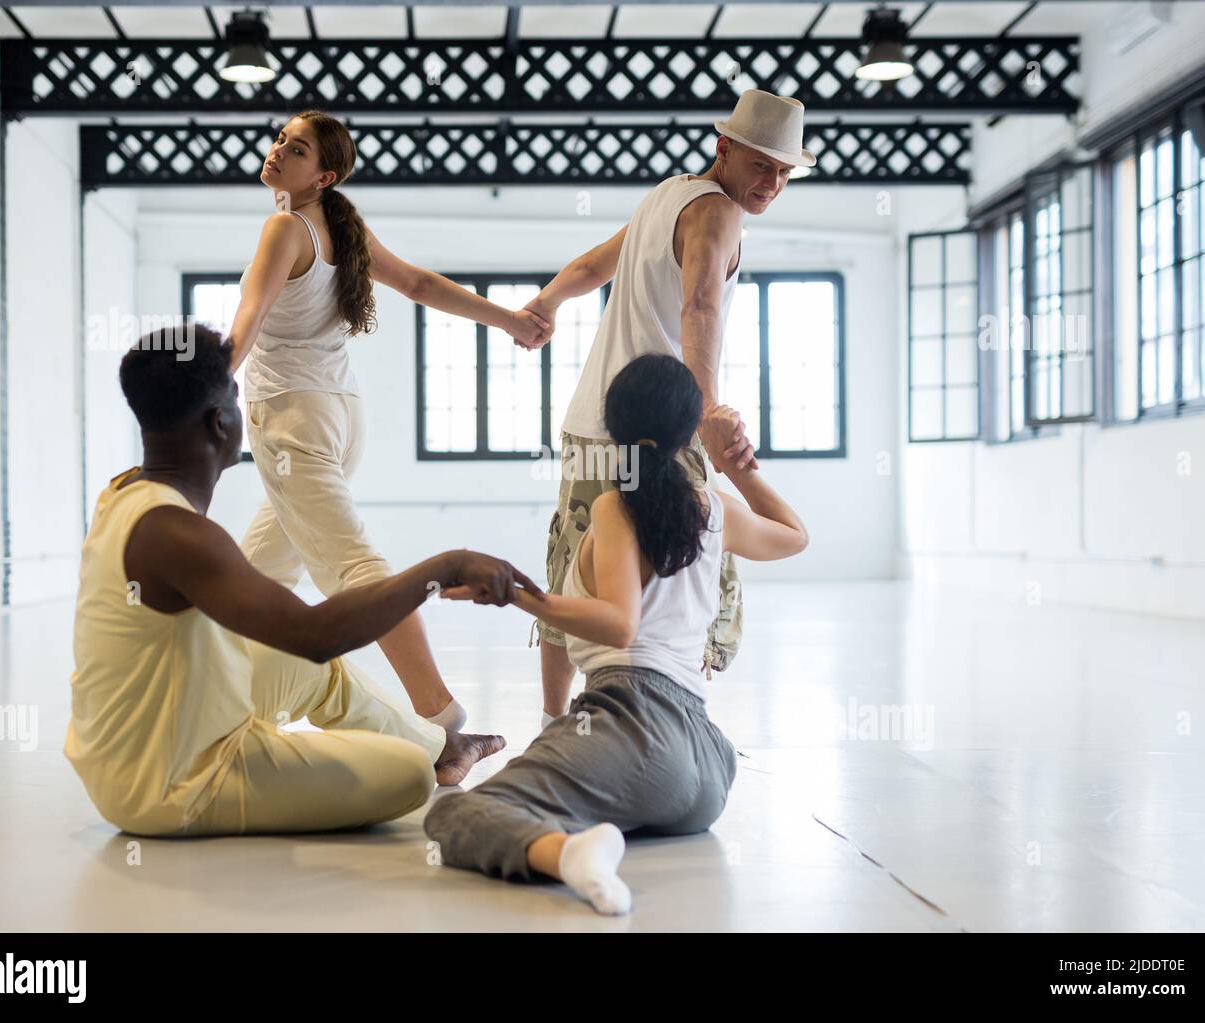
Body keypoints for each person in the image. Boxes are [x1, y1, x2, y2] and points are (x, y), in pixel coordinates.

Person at [64, 326, 536, 837]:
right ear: (221, 422)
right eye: (238, 398)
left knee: (317, 672)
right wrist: (447, 566)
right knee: (405, 778)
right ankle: (417, 759)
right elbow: (314, 634)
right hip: (166, 785)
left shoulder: (127, 491)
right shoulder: (179, 535)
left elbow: (305, 648)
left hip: (138, 742)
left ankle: (444, 748)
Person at [424, 354, 809, 914]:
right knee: (602, 785)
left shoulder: (614, 506)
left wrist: (518, 595)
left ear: (611, 428)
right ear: (689, 430)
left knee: (451, 814)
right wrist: (735, 464)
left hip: (629, 723)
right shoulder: (713, 507)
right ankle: (604, 816)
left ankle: (568, 856)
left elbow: (621, 625)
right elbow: (794, 536)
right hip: (705, 771)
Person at [224, 109, 550, 734]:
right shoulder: (340, 228)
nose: (278, 152)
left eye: (297, 150)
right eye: (280, 140)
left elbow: (250, 319)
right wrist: (507, 320)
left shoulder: (285, 228)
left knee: (356, 570)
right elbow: (421, 285)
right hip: (339, 420)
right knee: (253, 577)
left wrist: (205, 390)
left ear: (323, 176)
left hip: (293, 423)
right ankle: (225, 706)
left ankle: (445, 723)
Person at [516, 89, 817, 725]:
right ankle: (675, 713)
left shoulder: (664, 196)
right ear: (725, 148)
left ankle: (553, 720)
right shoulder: (718, 212)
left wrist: (546, 301)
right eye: (763, 165)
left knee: (576, 565)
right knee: (697, 559)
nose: (773, 182)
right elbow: (700, 307)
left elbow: (595, 263)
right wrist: (705, 411)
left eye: (786, 172)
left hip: (593, 425)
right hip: (664, 424)